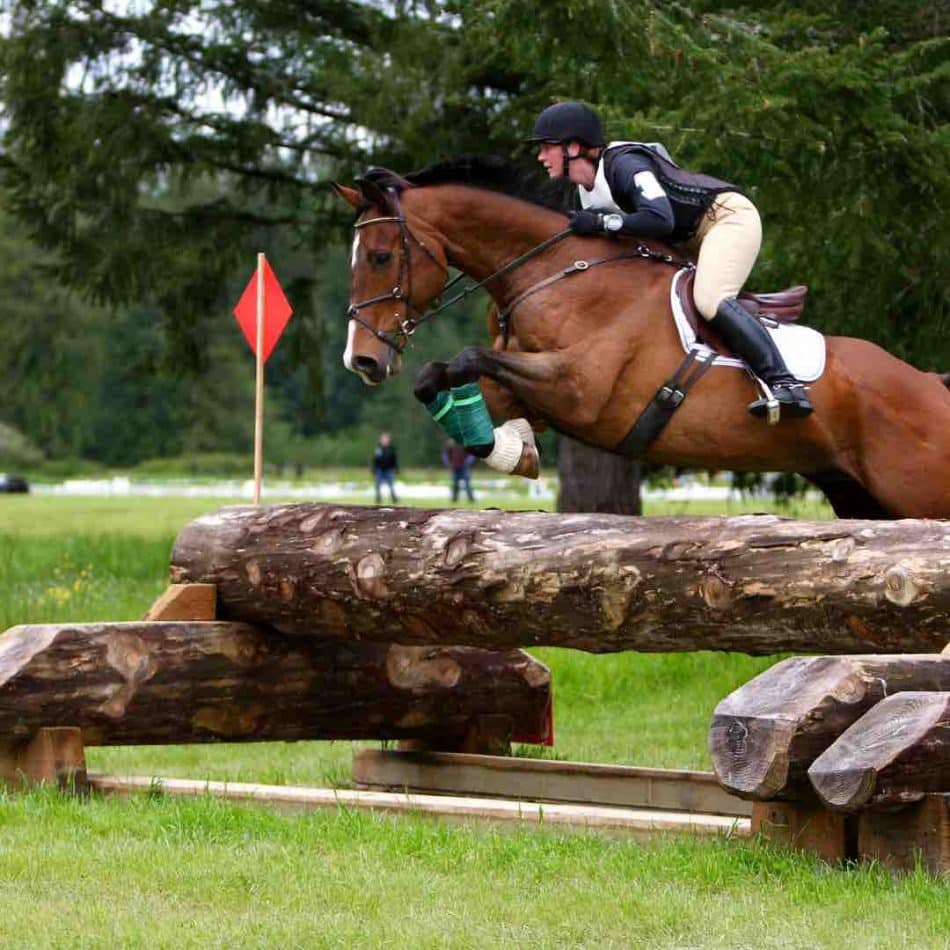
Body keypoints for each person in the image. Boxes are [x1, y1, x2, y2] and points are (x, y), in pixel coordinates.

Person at [527, 101, 813, 418]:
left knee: (709, 299)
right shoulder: (586, 190)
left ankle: (785, 384)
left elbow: (660, 219)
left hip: (726, 220)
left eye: (546, 148)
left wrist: (601, 223)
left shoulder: (624, 164)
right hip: (688, 238)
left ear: (574, 146)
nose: (541, 157)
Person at [372, 432, 398, 504]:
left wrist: (396, 468)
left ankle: (394, 498)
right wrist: (374, 469)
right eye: (383, 439)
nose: (385, 441)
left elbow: (394, 460)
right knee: (377, 485)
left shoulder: (391, 449)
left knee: (391, 485)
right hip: (380, 470)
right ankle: (378, 498)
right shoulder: (378, 449)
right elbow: (375, 460)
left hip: (389, 470)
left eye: (386, 439)